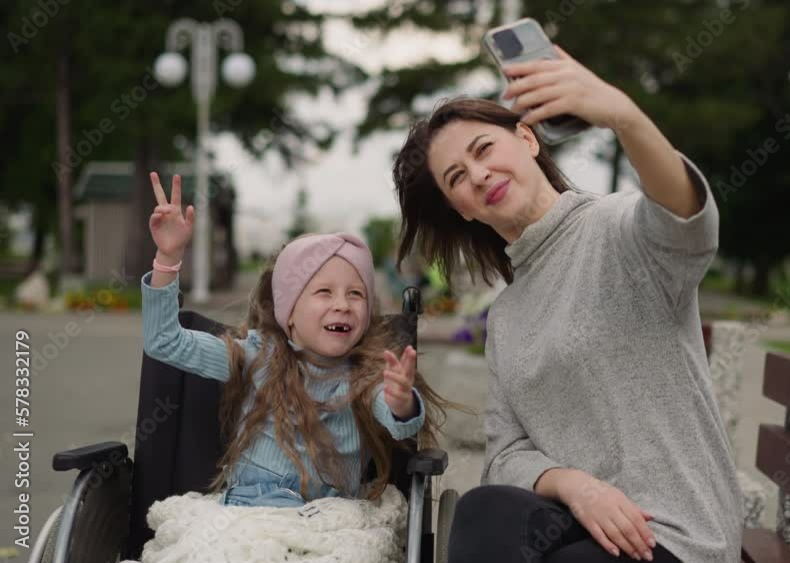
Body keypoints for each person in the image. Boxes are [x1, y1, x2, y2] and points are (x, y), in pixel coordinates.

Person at [392, 46, 742, 562]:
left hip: (674, 536)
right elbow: (504, 456)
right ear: (460, 209)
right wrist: (576, 486)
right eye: (457, 178)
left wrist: (622, 116)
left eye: (484, 149)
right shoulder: (507, 315)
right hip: (578, 525)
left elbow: (686, 222)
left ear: (527, 138)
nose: (479, 175)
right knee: (482, 510)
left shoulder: (619, 229)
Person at [141, 172, 450, 507]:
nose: (342, 305)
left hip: (327, 520)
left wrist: (401, 401)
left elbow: (401, 426)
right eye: (324, 292)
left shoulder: (365, 374)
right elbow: (164, 342)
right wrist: (168, 260)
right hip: (249, 516)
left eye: (356, 294)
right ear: (288, 313)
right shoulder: (255, 357)